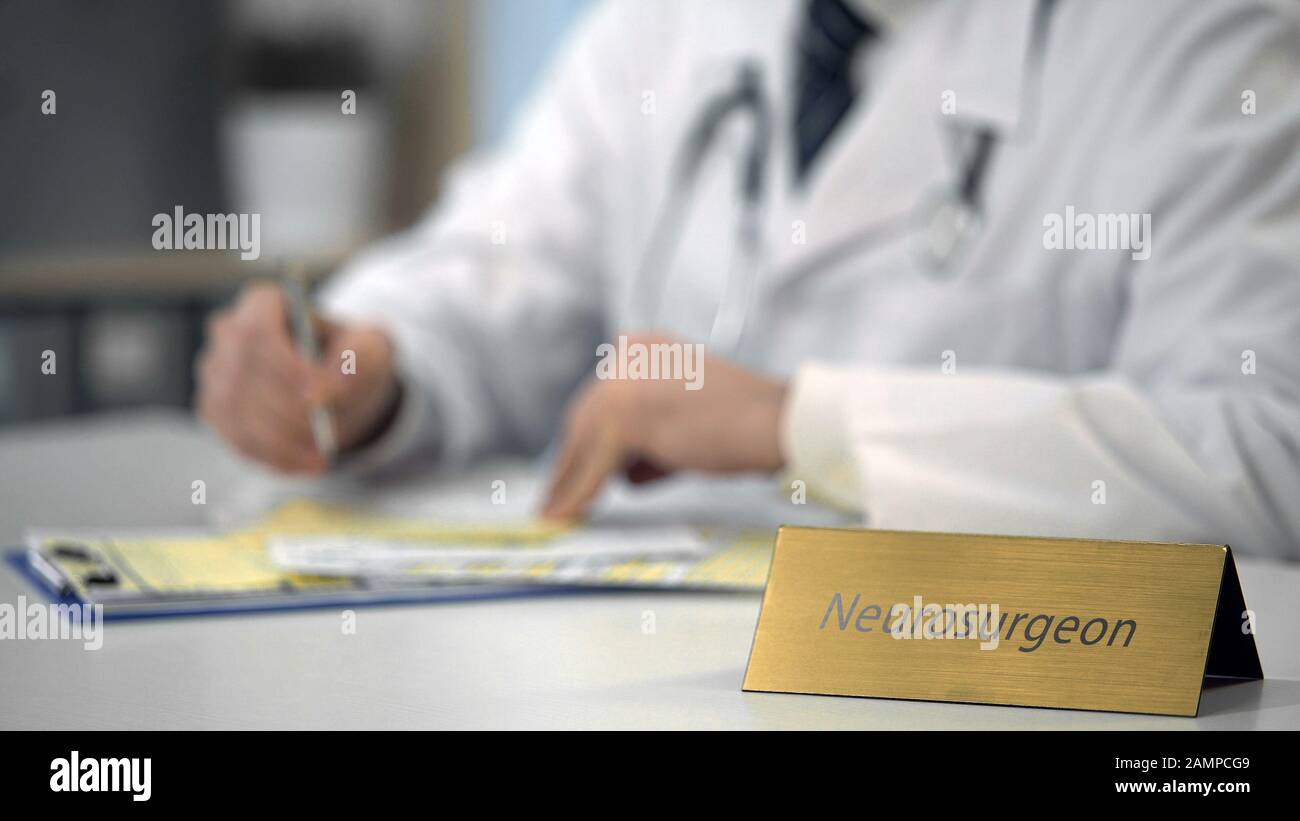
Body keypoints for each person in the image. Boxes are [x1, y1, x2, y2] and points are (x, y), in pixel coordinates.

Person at [196, 0, 1300, 558]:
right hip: (644, 677)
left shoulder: (1205, 47)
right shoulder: (673, 21)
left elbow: (1267, 453)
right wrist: (366, 365)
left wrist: (806, 425)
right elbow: (504, 256)